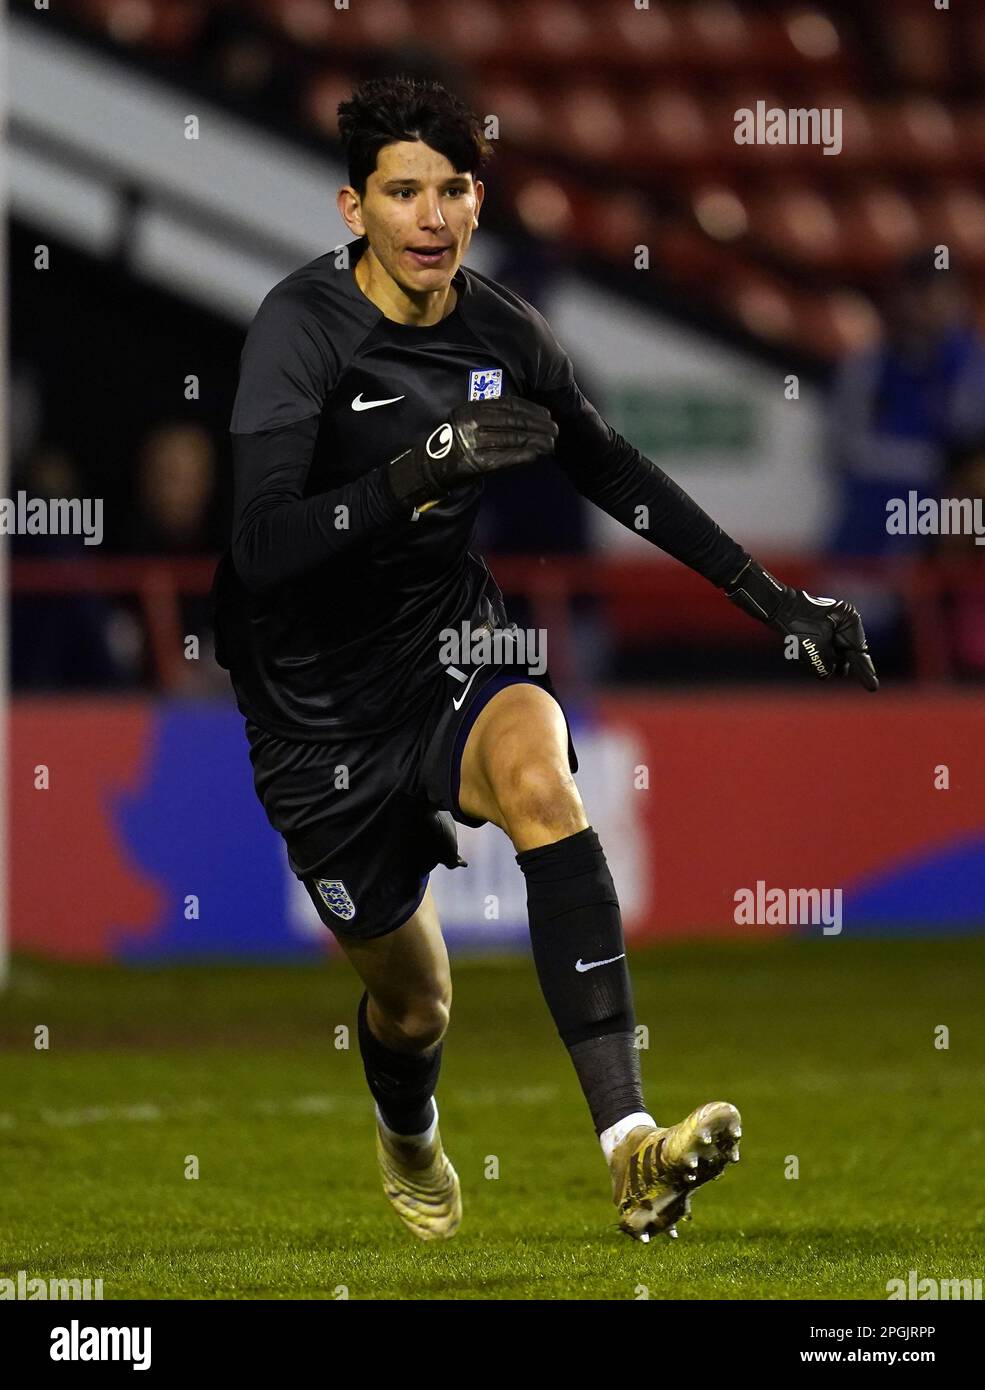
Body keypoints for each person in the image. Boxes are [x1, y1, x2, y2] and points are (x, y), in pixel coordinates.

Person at [212, 76, 878, 1243]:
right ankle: (409, 1132)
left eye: (454, 188)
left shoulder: (506, 331)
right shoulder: (298, 330)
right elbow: (261, 550)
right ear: (351, 206)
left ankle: (630, 1147)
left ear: (480, 197)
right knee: (413, 1006)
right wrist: (415, 471)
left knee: (542, 785)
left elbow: (618, 474)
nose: (431, 215)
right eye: (403, 191)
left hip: (446, 657)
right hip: (313, 717)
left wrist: (772, 601)